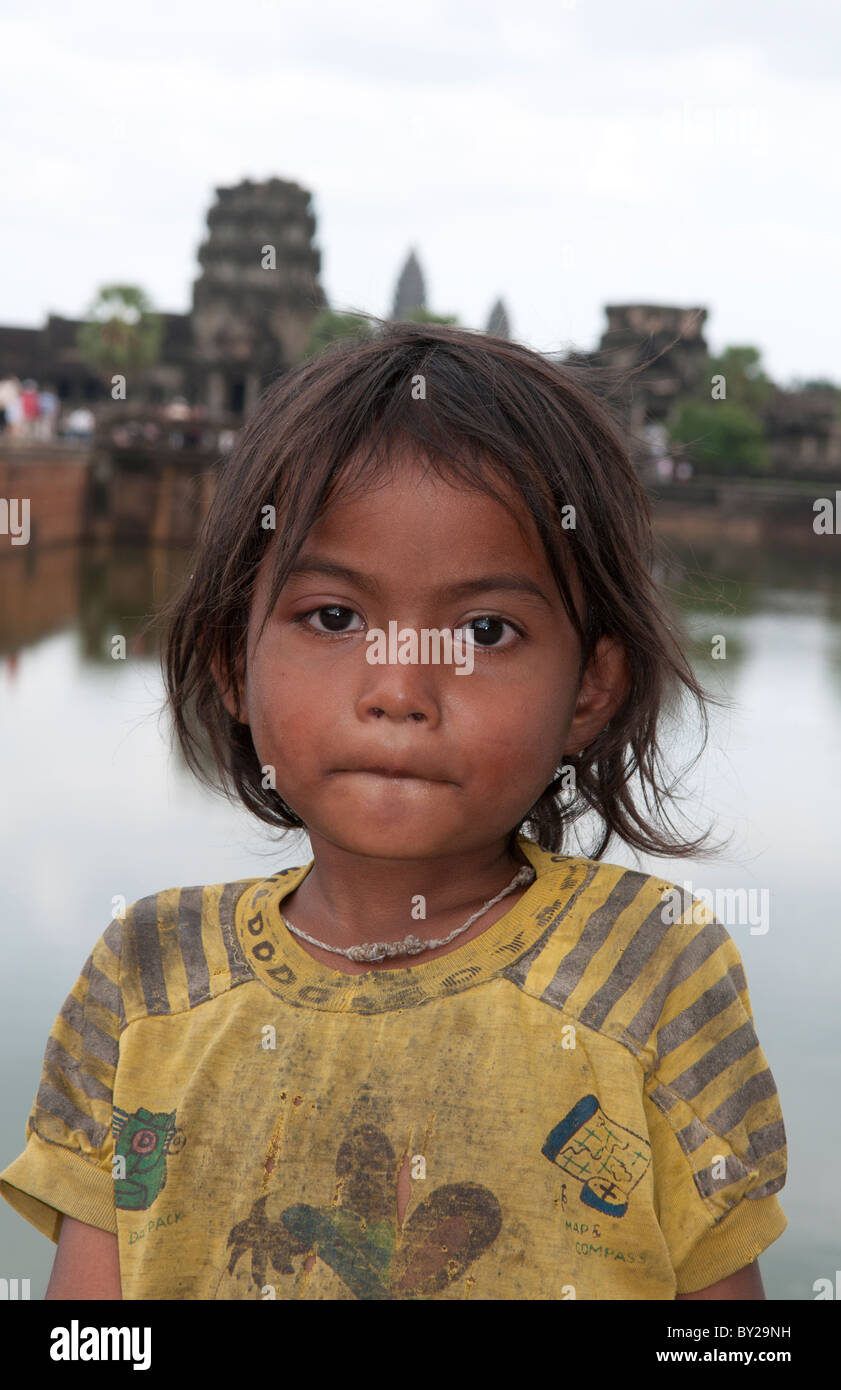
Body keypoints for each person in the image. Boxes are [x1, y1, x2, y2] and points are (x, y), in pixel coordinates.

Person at [0, 320, 787, 1301]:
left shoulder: (652, 970)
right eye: (333, 617)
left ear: (590, 687)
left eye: (485, 629)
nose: (400, 687)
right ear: (229, 664)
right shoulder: (148, 980)